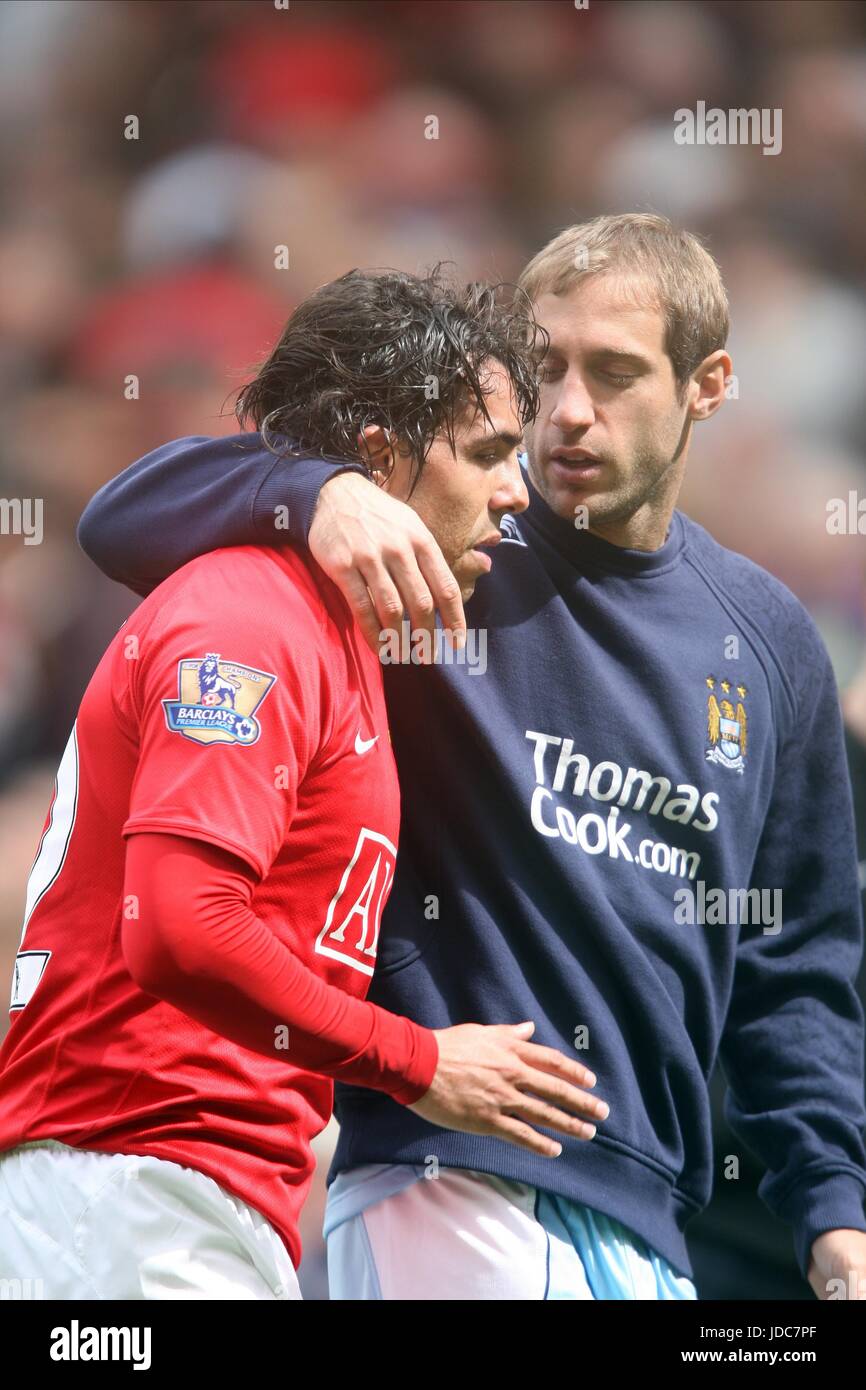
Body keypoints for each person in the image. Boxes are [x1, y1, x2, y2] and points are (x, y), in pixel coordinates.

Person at [78, 214, 866, 1302]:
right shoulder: (448, 547)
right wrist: (314, 491)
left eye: (616, 373)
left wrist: (832, 1206)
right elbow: (121, 516)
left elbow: (791, 962)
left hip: (655, 1217)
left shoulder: (768, 641)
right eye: (543, 371)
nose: (568, 412)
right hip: (443, 1168)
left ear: (709, 383)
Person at [0, 268, 606, 1301]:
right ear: (379, 458)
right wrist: (418, 1062)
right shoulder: (248, 618)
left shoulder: (339, 641)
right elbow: (181, 925)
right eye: (487, 453)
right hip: (123, 1186)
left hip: (191, 1194)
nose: (515, 492)